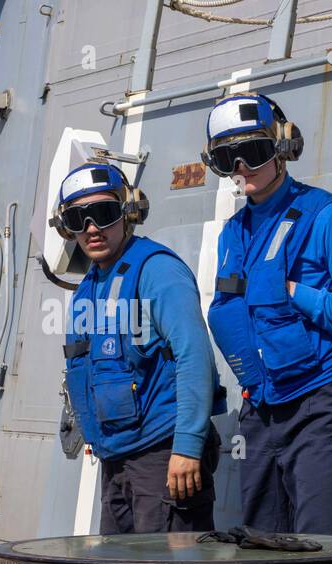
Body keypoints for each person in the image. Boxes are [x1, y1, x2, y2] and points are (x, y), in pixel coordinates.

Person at [204, 93, 332, 534]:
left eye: (254, 151)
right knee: (262, 550)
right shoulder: (234, 232)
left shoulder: (331, 218)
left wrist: (298, 293)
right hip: (261, 408)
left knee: (320, 547)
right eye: (228, 157)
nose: (242, 166)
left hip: (322, 405)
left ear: (283, 147)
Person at [52, 161, 223, 534]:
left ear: (128, 211)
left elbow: (194, 356)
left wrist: (188, 447)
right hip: (116, 460)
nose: (92, 228)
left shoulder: (157, 271)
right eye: (78, 218)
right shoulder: (90, 286)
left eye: (103, 213)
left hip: (163, 457)